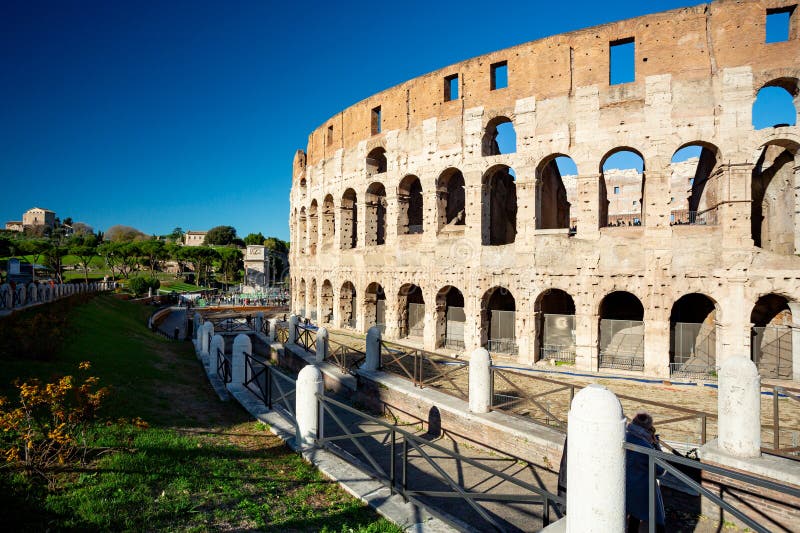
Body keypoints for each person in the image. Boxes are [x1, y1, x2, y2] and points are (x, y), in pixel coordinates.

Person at [625, 412, 666, 533]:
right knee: (658, 518)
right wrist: (656, 444)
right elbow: (661, 470)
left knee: (634, 515)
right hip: (645, 488)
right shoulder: (645, 446)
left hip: (629, 485)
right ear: (648, 428)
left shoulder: (625, 437)